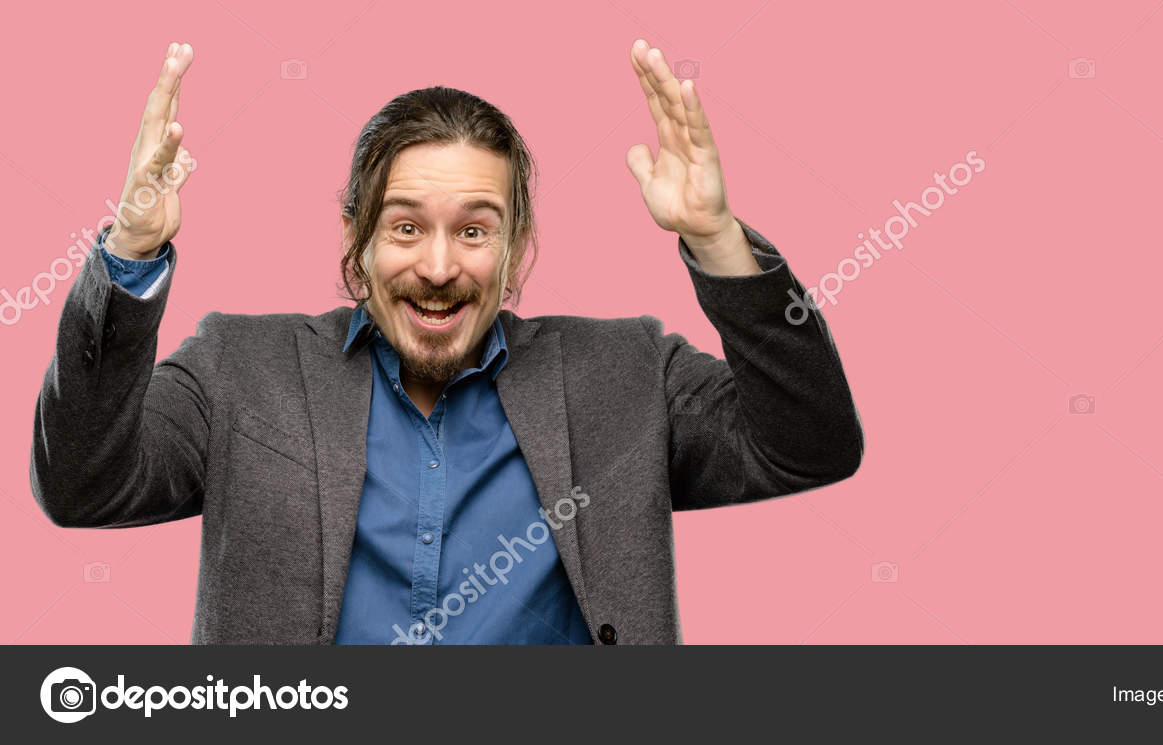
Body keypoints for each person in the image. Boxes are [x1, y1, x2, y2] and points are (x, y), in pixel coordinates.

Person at [30, 40, 862, 645]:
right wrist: (130, 253)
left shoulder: (628, 372)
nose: (437, 266)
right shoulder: (239, 368)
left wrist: (716, 237)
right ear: (355, 237)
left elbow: (810, 444)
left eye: (473, 229)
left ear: (514, 243)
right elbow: (81, 484)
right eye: (404, 227)